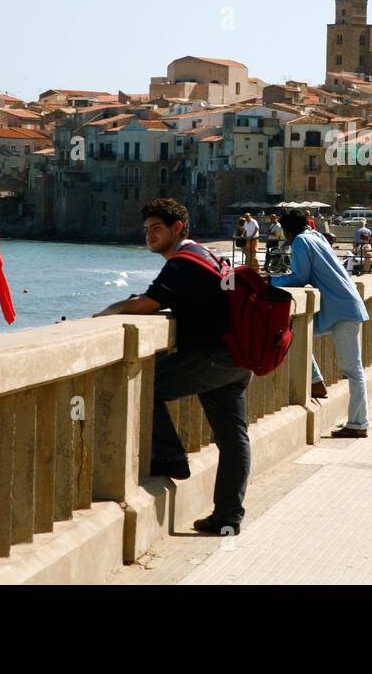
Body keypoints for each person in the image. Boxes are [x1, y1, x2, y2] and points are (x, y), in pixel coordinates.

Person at [94, 198, 251, 536]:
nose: (149, 235)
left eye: (156, 229)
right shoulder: (206, 256)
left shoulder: (182, 263)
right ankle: (228, 516)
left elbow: (148, 303)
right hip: (238, 357)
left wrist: (106, 312)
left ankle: (169, 459)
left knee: (145, 386)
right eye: (146, 229)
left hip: (213, 356)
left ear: (177, 228)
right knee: (233, 439)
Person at [270, 208, 371, 437]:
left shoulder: (300, 242)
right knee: (293, 334)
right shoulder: (316, 237)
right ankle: (315, 381)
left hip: (341, 310)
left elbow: (299, 277)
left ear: (287, 231)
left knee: (353, 370)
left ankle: (358, 423)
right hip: (343, 305)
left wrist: (271, 282)